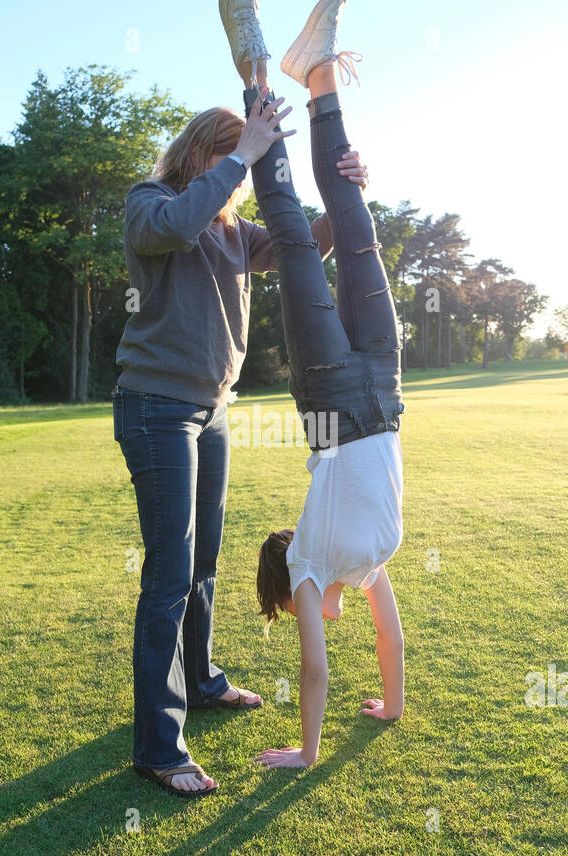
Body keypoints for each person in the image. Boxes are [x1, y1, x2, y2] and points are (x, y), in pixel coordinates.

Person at [113, 0, 372, 797]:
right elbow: (179, 221)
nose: (250, 175)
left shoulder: (231, 229)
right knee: (167, 572)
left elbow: (301, 240)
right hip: (157, 408)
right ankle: (159, 746)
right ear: (205, 153)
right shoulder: (151, 204)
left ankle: (200, 679)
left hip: (212, 409)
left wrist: (349, 188)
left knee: (204, 564)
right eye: (238, 158)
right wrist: (246, 149)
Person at [246, 0, 408, 771]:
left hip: (335, 408)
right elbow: (388, 636)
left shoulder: (312, 564)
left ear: (287, 593)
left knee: (293, 242)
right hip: (384, 388)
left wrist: (305, 755)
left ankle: (253, 68)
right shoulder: (369, 565)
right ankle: (317, 76)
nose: (312, 619)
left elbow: (316, 672)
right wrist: (394, 704)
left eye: (291, 612)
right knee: (355, 217)